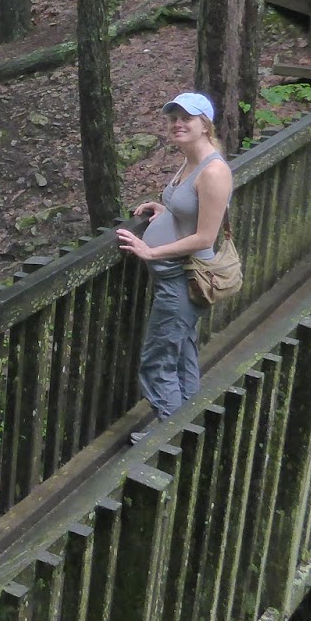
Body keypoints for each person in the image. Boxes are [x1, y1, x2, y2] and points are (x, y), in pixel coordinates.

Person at [114, 91, 234, 436]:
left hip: (184, 280)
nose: (178, 123)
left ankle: (168, 441)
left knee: (156, 363)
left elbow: (205, 237)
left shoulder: (213, 172)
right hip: (173, 278)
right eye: (173, 118)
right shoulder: (190, 161)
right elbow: (190, 213)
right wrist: (165, 209)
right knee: (181, 353)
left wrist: (150, 251)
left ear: (205, 125)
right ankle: (187, 426)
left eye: (187, 118)